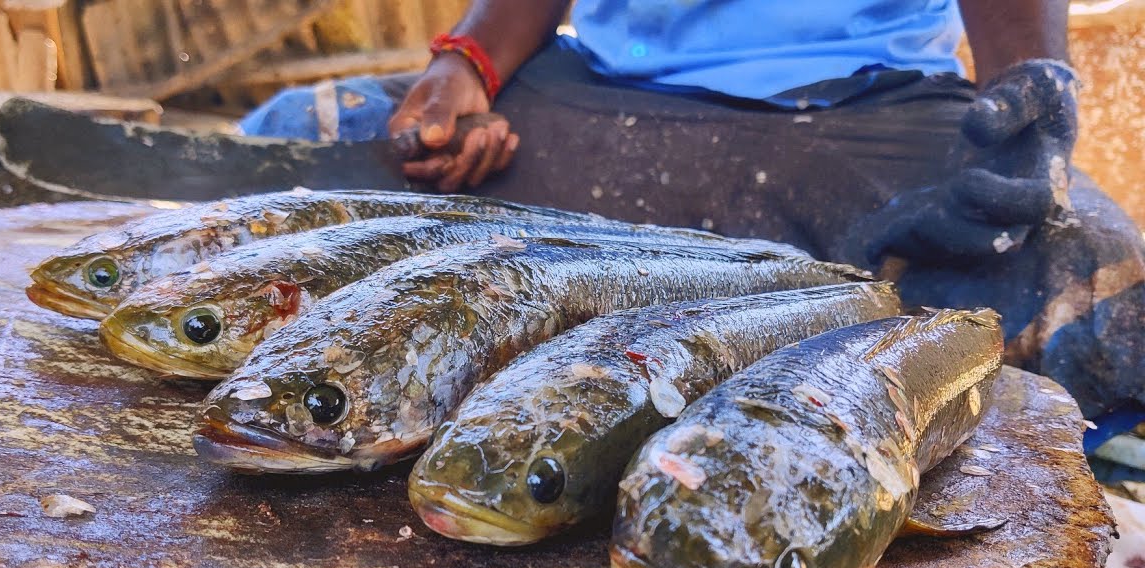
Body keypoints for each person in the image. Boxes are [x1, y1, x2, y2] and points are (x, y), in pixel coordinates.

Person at [242, 0, 1145, 446]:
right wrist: (467, 66)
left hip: (864, 116)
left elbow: (1022, 73)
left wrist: (1029, 93)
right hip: (600, 101)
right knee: (297, 141)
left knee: (1092, 271)